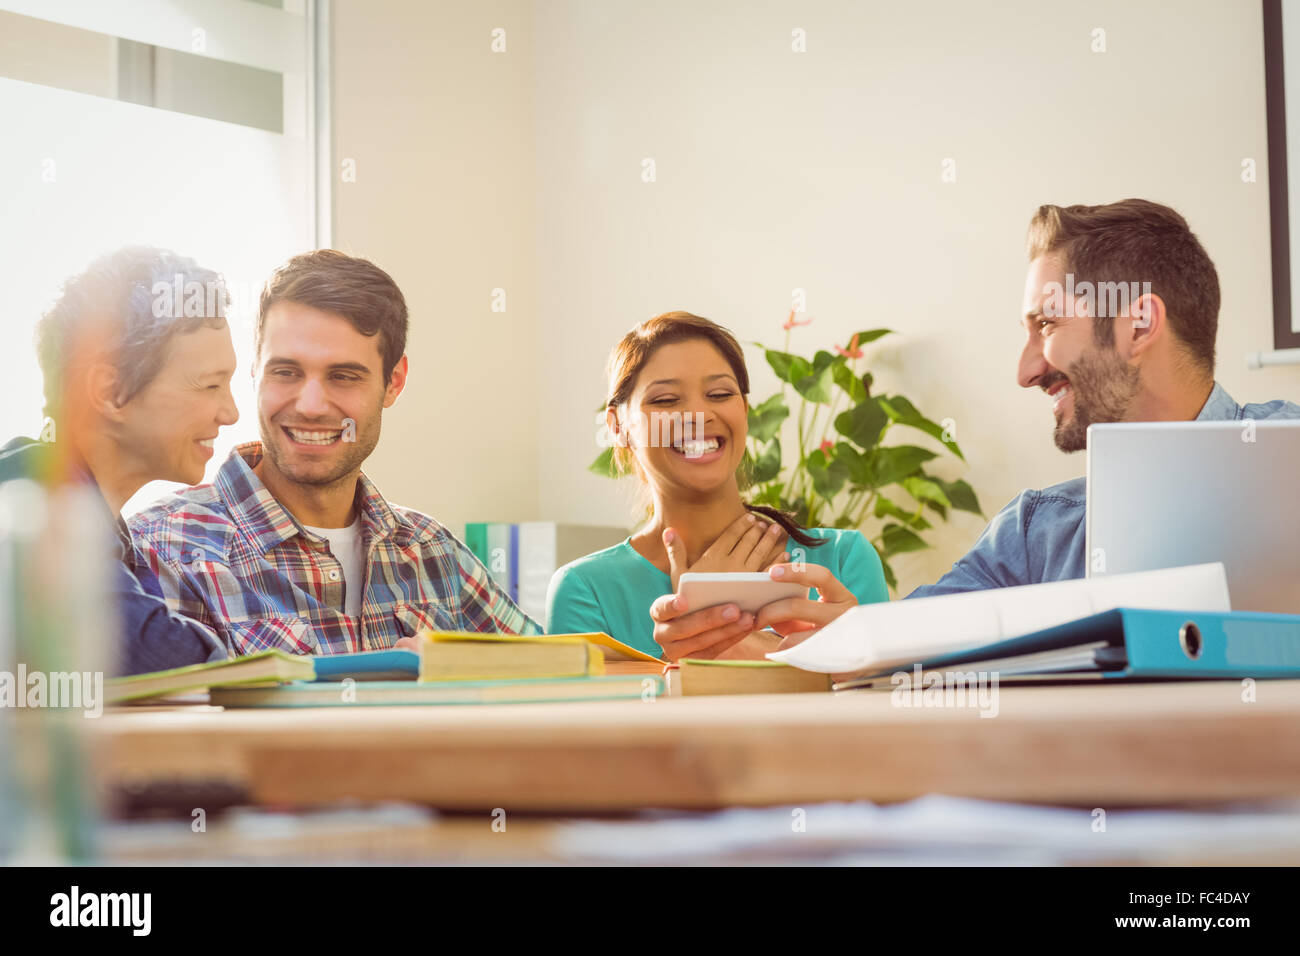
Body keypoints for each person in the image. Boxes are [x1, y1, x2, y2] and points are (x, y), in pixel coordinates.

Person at [129, 250, 539, 655]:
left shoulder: (435, 552)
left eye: (343, 376)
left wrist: (466, 674)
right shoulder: (157, 553)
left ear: (393, 382)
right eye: (286, 372)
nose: (310, 405)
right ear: (254, 371)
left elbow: (561, 673)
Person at [910, 199, 1300, 598]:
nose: (1025, 373)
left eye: (1046, 324)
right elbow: (906, 642)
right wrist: (855, 635)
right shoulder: (1033, 535)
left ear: (1139, 325)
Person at [546, 311, 888, 660]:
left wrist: (726, 638)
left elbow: (876, 706)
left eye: (720, 394)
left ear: (744, 410)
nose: (698, 415)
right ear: (617, 426)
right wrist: (686, 654)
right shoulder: (585, 590)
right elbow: (592, 716)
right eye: (665, 400)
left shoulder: (844, 559)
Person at [0, 247, 236, 674]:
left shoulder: (105, 527)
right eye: (209, 386)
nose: (231, 413)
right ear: (110, 392)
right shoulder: (26, 497)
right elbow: (157, 653)